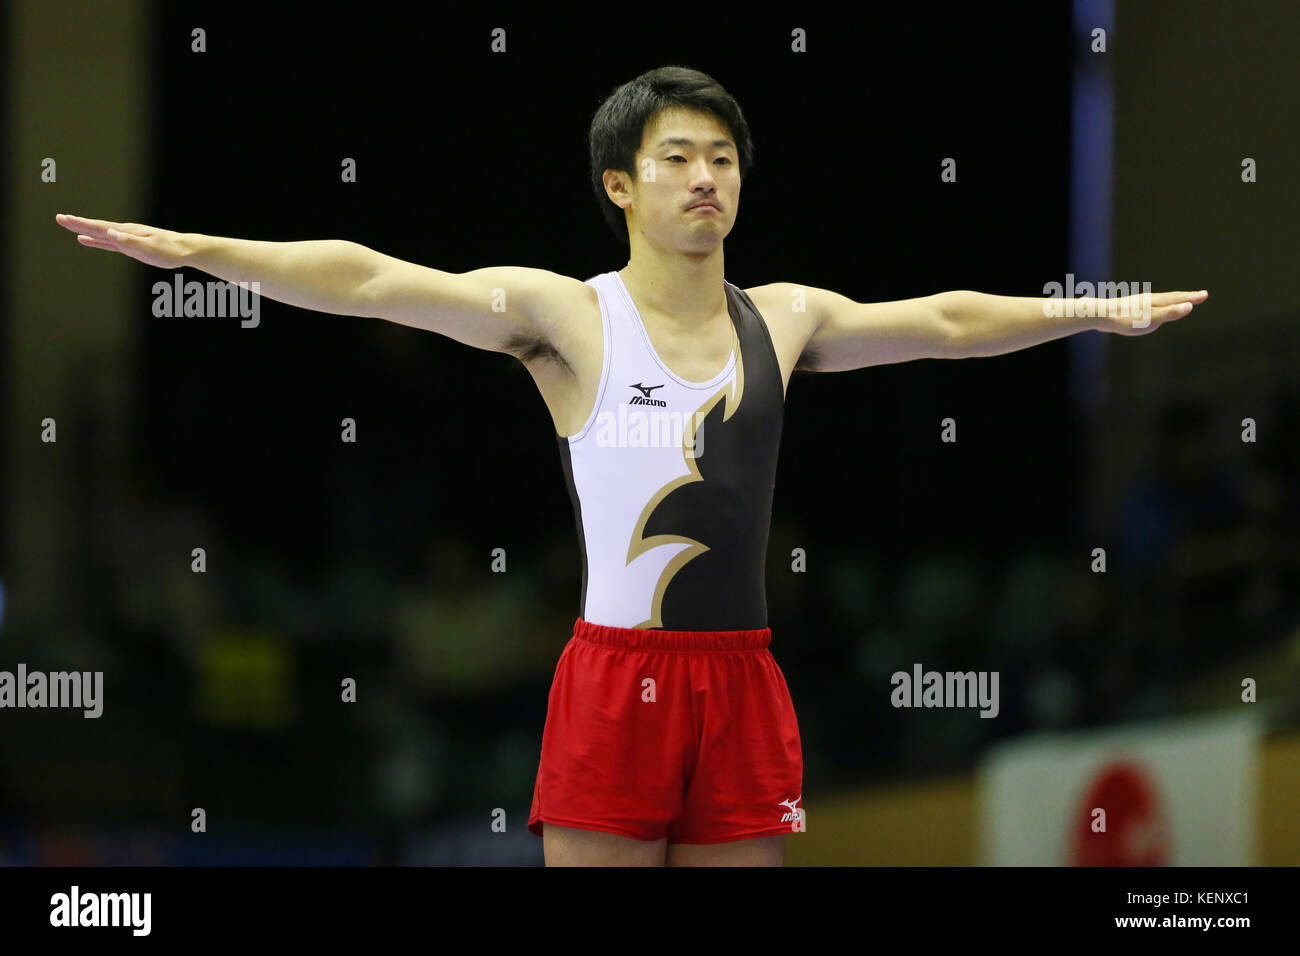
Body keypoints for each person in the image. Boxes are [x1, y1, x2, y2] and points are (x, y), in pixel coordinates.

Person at [55, 64, 1206, 866]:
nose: (705, 177)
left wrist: (1092, 311)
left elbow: (949, 321)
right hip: (619, 677)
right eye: (676, 159)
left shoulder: (788, 316)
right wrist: (196, 251)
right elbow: (367, 276)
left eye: (721, 159)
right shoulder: (570, 315)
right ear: (620, 184)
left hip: (744, 680)